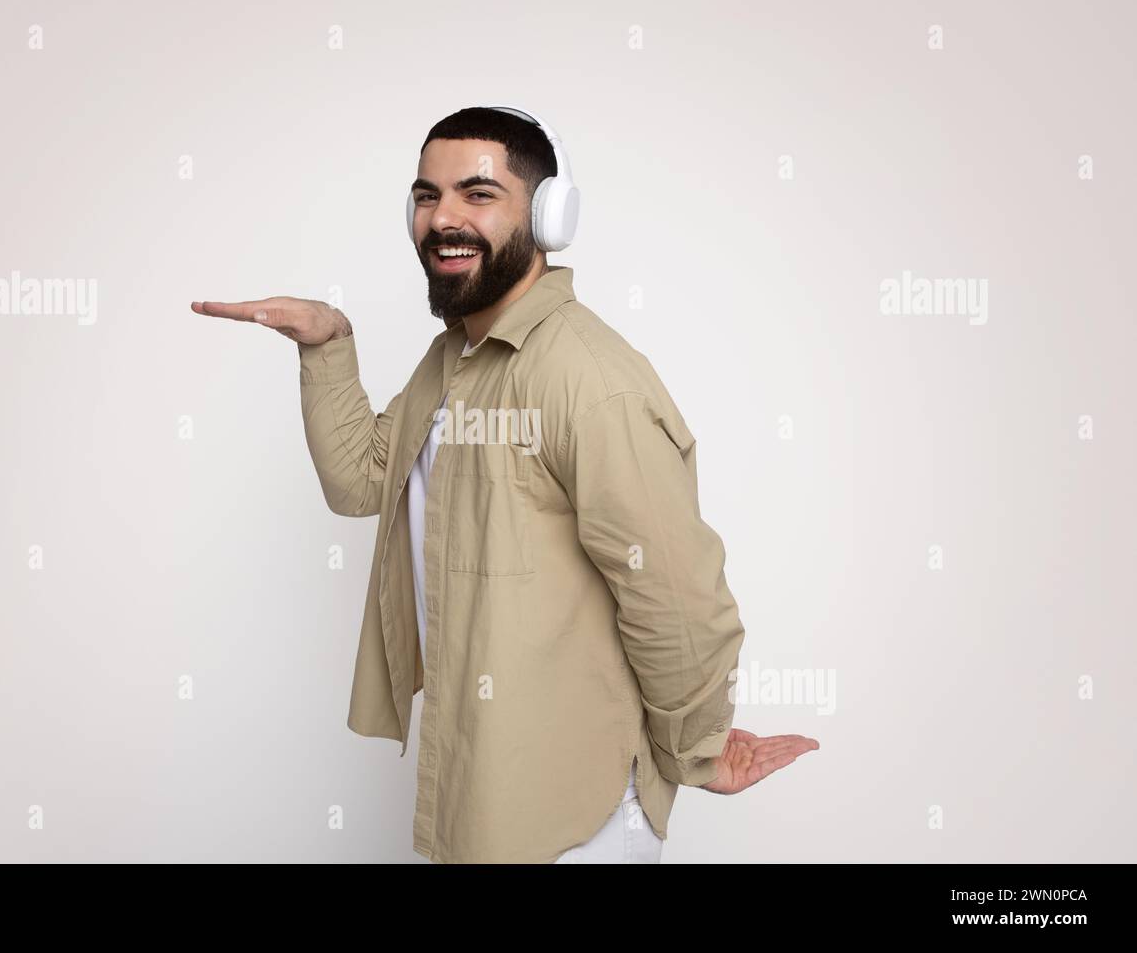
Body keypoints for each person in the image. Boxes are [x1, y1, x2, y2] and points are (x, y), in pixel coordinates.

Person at [193, 106, 818, 863]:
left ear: (549, 215)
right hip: (480, 792)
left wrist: (699, 748)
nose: (443, 217)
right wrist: (328, 346)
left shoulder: (589, 381)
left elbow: (679, 595)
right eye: (427, 195)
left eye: (477, 194)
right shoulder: (453, 358)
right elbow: (364, 481)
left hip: (574, 819)